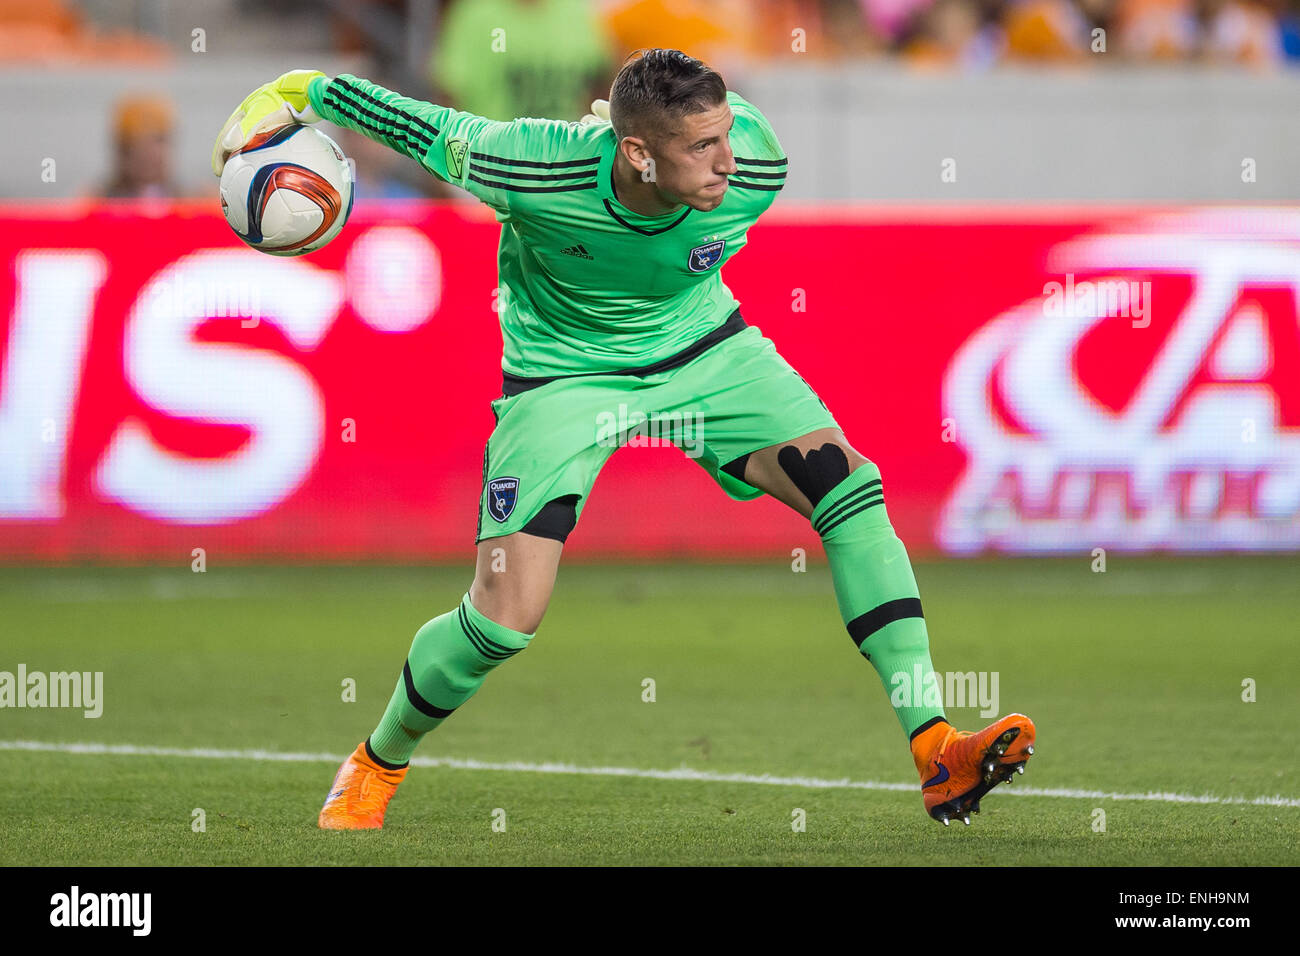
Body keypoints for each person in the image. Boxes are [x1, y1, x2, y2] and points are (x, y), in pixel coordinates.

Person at [210, 50, 1036, 830]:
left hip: (706, 353)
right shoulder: (532, 164)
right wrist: (304, 90)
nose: (726, 163)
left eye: (724, 137)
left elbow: (726, 151)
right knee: (504, 617)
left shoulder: (758, 163)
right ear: (637, 153)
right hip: (563, 379)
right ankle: (375, 763)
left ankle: (935, 748)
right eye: (701, 147)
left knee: (850, 489)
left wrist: (701, 144)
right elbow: (419, 125)